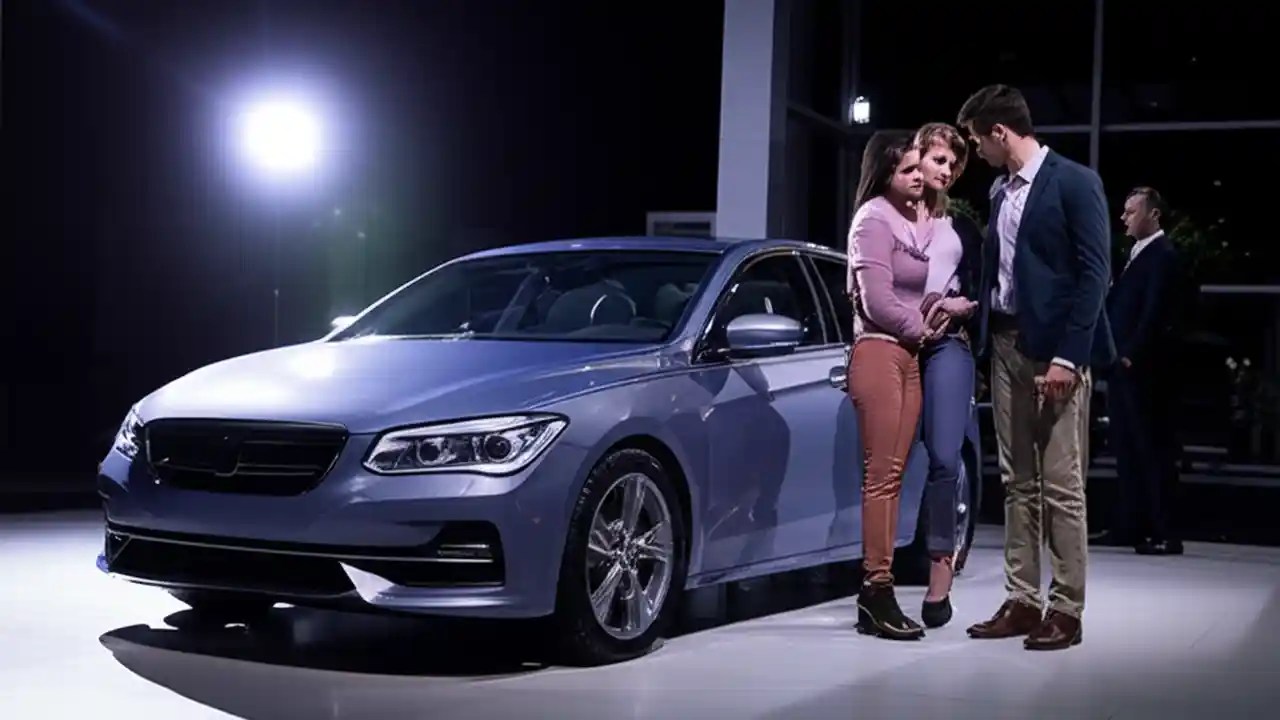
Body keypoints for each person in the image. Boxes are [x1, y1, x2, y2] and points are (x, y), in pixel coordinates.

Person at [956, 84, 1115, 651]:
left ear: (1001, 132)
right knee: (1016, 481)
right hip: (1002, 345)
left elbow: (1096, 275)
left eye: (978, 141)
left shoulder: (1075, 182)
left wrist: (1068, 357)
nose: (977, 153)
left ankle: (1066, 608)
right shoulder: (1001, 192)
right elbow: (1004, 276)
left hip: (1055, 354)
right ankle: (1023, 600)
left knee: (1062, 485)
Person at [845, 130, 942, 640]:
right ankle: (875, 591)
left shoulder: (922, 221)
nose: (919, 178)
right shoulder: (873, 219)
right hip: (879, 350)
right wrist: (922, 327)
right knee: (881, 477)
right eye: (907, 170)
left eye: (919, 168)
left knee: (897, 476)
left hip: (910, 354)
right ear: (885, 174)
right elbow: (876, 299)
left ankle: (879, 593)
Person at [910, 122, 984, 628]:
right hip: (895, 342)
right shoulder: (883, 217)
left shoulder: (963, 229)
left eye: (953, 163)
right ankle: (875, 578)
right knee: (884, 465)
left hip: (947, 347)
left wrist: (958, 306)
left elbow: (982, 295)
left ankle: (940, 575)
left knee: (943, 457)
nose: (946, 169)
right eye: (938, 158)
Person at [1098, 186, 1184, 555]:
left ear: (1154, 215)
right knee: (1127, 448)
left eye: (1132, 211)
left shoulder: (1162, 255)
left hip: (1143, 371)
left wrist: (1132, 354)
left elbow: (1156, 312)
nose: (1124, 217)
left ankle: (1165, 531)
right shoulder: (1136, 254)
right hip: (1123, 367)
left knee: (1151, 450)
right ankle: (1130, 525)